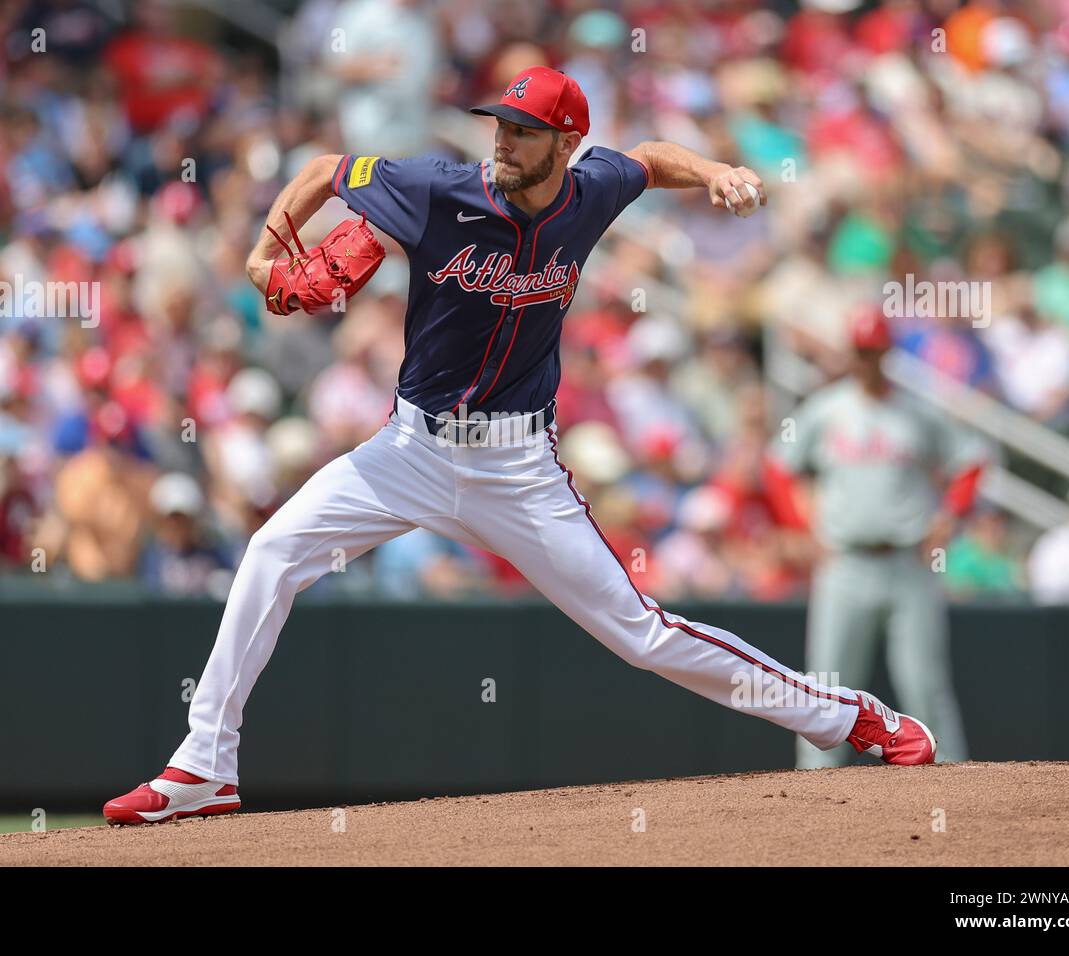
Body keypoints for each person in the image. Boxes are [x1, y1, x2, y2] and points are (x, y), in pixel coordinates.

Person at [105, 67, 939, 825]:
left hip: (516, 467)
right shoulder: (436, 188)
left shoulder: (592, 189)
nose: (501, 142)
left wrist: (716, 171)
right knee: (272, 550)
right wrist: (263, 251)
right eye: (499, 125)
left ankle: (856, 717)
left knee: (641, 635)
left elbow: (648, 156)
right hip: (411, 449)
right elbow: (327, 169)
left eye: (521, 131)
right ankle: (204, 766)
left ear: (565, 144)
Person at [768, 306, 983, 768]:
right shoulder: (827, 409)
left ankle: (952, 781)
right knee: (824, 685)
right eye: (861, 351)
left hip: (908, 562)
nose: (868, 359)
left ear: (887, 352)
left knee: (924, 682)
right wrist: (798, 528)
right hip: (844, 562)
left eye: (875, 351)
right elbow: (778, 466)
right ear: (852, 353)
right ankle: (814, 790)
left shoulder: (916, 411)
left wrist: (951, 516)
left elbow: (972, 460)